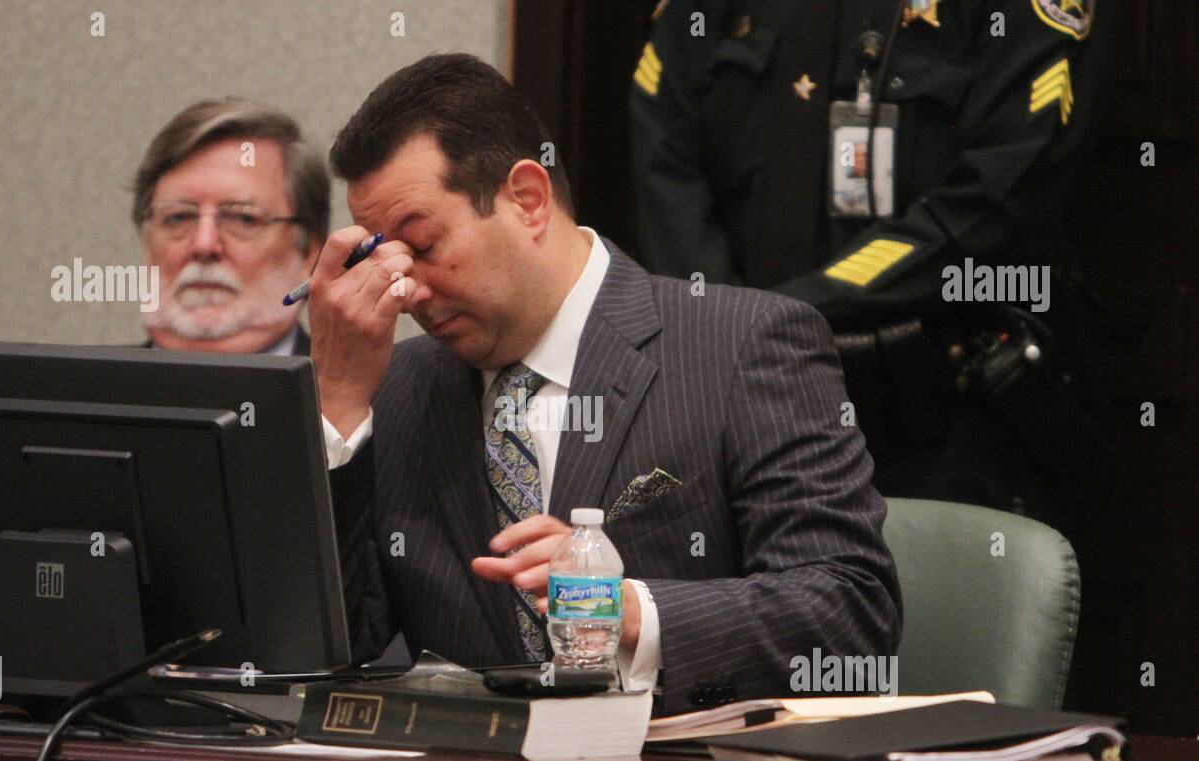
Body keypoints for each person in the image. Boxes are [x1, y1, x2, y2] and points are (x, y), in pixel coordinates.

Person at [307, 54, 901, 715]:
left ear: (527, 200)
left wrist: (626, 610)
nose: (406, 287)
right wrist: (335, 403)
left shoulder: (741, 348)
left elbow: (852, 616)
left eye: (420, 246)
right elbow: (329, 657)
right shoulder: (397, 388)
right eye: (382, 259)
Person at [630, 0, 1108, 525]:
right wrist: (716, 309)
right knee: (742, 599)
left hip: (936, 408)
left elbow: (1001, 197)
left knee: (935, 597)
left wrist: (782, 312)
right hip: (743, 399)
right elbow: (664, 141)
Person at [131, 98, 330, 355]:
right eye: (179, 217)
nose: (204, 245)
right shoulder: (73, 391)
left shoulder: (366, 393)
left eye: (243, 219)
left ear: (308, 255)